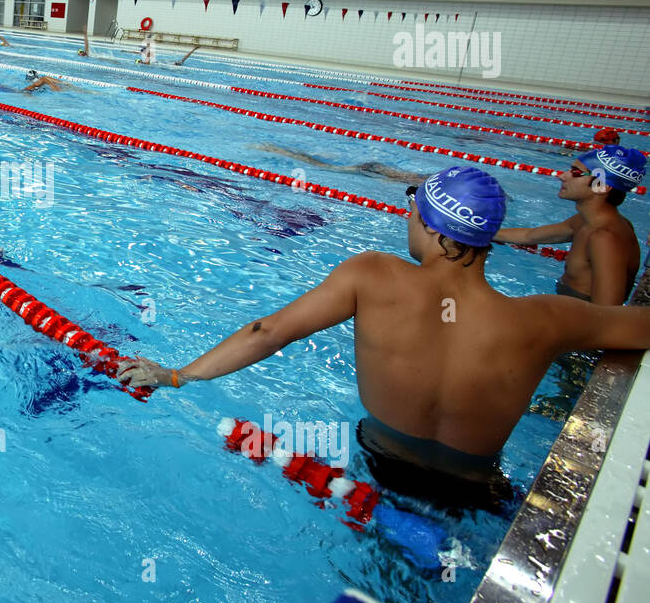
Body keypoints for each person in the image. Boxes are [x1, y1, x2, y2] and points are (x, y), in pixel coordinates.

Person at [117, 166, 650, 507]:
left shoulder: (372, 276)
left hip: (382, 468)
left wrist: (177, 375)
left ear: (435, 228)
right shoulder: (548, 319)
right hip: (477, 490)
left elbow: (268, 331)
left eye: (413, 212)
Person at [493, 145, 646, 304]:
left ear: (601, 185)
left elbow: (607, 313)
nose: (562, 176)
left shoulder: (605, 238)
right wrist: (475, 231)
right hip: (567, 312)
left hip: (579, 324)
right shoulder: (584, 221)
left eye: (576, 172)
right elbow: (529, 236)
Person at [254, 144, 427, 185]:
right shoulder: (418, 181)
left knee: (320, 164)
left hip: (370, 169)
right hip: (368, 169)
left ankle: (276, 149)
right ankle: (276, 149)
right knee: (322, 166)